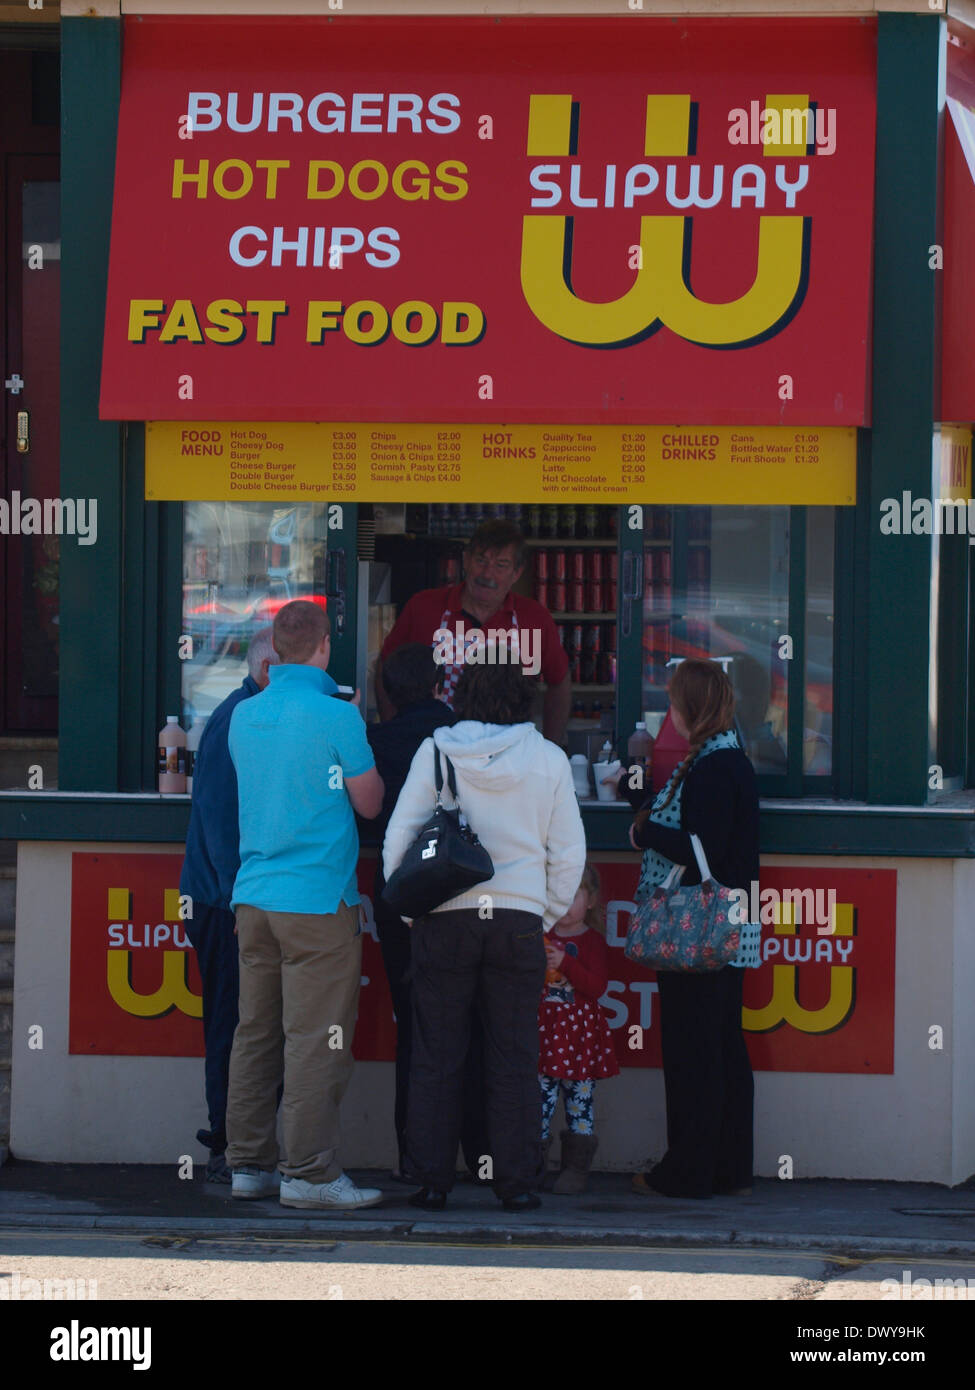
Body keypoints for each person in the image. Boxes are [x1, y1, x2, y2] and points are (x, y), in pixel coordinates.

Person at [383, 662, 587, 1213]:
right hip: (517, 922)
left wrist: (411, 914)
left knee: (437, 1055)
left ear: (461, 698)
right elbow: (569, 854)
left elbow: (399, 837)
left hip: (445, 917)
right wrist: (541, 916)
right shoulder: (547, 759)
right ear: (524, 702)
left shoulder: (436, 751)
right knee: (515, 1056)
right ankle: (517, 1183)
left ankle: (430, 1181)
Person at [224, 600, 385, 1211]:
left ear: (273, 647)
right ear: (322, 650)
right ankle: (310, 1174)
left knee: (256, 1034)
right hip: (317, 902)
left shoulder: (243, 715)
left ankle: (248, 1166)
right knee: (317, 1040)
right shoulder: (337, 717)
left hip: (253, 900)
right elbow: (369, 804)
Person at [625, 658, 759, 1200]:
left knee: (692, 1049)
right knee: (723, 1044)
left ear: (691, 709)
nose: (670, 711)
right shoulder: (730, 759)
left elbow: (700, 847)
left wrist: (643, 833)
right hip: (726, 925)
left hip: (694, 928)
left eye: (675, 702)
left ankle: (688, 1172)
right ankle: (728, 1167)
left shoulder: (709, 769)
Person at [179, 626, 283, 1183]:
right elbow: (220, 824)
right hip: (224, 903)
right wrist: (240, 900)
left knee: (248, 1023)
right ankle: (225, 1145)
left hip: (234, 898)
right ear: (270, 670)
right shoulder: (232, 722)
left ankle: (240, 1143)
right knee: (234, 1023)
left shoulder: (251, 713)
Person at [364, 642, 456, 1180]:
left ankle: (415, 1157)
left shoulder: (375, 741)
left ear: (387, 692)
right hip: (459, 893)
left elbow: (364, 817)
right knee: (462, 1023)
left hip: (398, 895)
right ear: (440, 685)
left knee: (413, 1026)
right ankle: (476, 1152)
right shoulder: (458, 739)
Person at [375, 519, 572, 745]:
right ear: (465, 560)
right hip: (434, 751)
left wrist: (551, 745)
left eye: (501, 565)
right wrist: (393, 729)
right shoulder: (424, 607)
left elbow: (559, 682)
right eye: (481, 561)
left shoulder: (535, 618)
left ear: (517, 573)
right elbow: (385, 666)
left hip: (509, 756)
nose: (487, 575)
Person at [538, 863, 619, 1195]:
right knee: (537, 1104)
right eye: (559, 895)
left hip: (580, 1041)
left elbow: (597, 987)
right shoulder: (541, 937)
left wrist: (566, 963)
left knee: (579, 1105)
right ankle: (531, 1166)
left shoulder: (593, 942)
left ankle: (575, 1169)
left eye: (575, 895)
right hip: (543, 1036)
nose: (566, 904)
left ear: (591, 901)